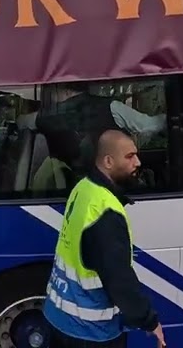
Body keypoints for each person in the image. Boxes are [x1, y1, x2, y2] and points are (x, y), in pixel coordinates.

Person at [44, 129, 165, 348]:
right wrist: (149, 321)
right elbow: (119, 279)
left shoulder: (83, 188)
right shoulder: (105, 211)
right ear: (108, 161)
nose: (138, 162)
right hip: (89, 331)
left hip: (60, 317)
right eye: (129, 156)